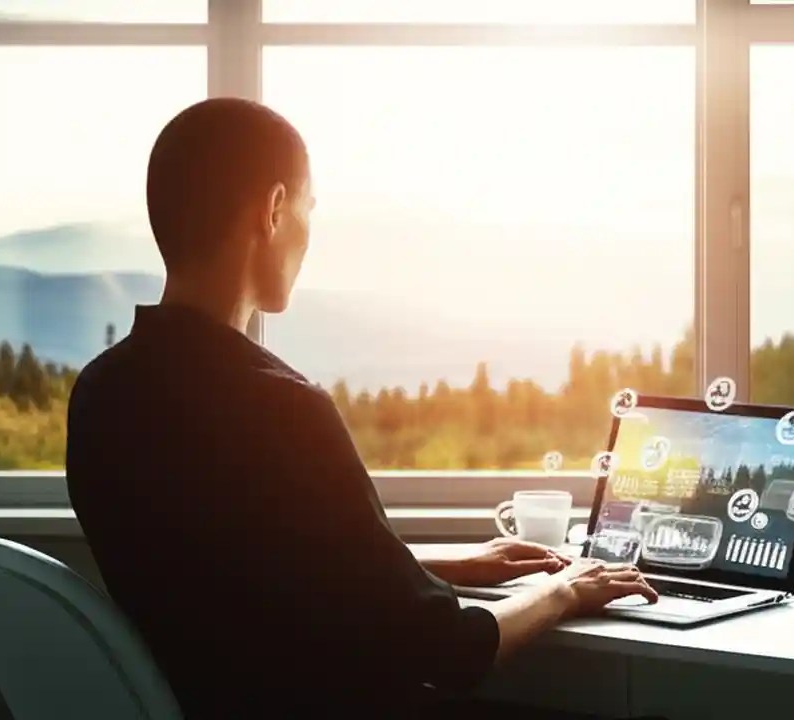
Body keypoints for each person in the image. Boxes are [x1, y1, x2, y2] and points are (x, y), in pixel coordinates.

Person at [65, 98, 657, 720]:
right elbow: (445, 651)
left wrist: (446, 565)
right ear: (272, 211)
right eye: (307, 209)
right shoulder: (281, 409)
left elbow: (241, 571)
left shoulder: (104, 395)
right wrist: (565, 592)